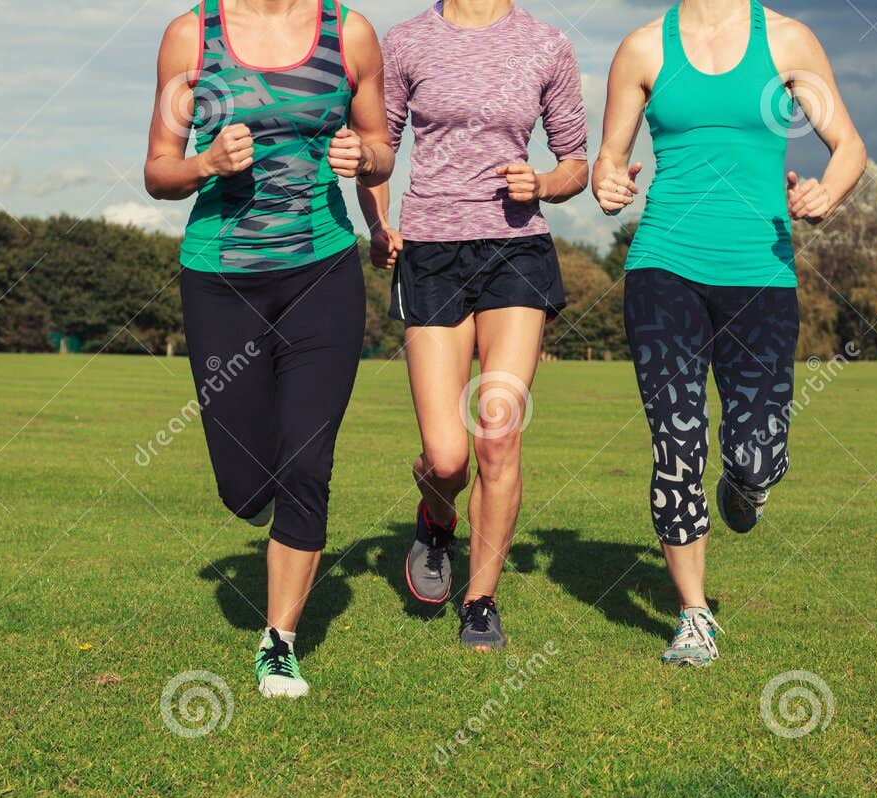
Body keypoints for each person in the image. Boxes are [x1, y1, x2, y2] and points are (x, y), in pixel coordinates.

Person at [593, 0, 865, 666]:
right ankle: (693, 615)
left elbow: (850, 146)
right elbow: (609, 163)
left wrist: (828, 191)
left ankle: (749, 481)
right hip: (665, 267)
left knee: (756, 452)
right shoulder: (642, 49)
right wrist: (606, 186)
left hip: (760, 274)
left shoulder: (790, 41)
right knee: (676, 442)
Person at [146, 0, 393, 697]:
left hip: (322, 270)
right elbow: (158, 170)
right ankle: (260, 498)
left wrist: (363, 155)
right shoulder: (192, 36)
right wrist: (205, 162)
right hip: (221, 279)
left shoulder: (349, 33)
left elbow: (379, 148)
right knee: (245, 486)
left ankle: (278, 641)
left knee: (307, 461)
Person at [359, 0, 587, 651]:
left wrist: (542, 182)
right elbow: (379, 148)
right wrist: (379, 224)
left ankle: (481, 601)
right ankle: (436, 517)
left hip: (516, 251)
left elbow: (577, 162)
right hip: (431, 253)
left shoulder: (546, 45)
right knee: (447, 456)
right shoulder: (404, 43)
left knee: (498, 433)